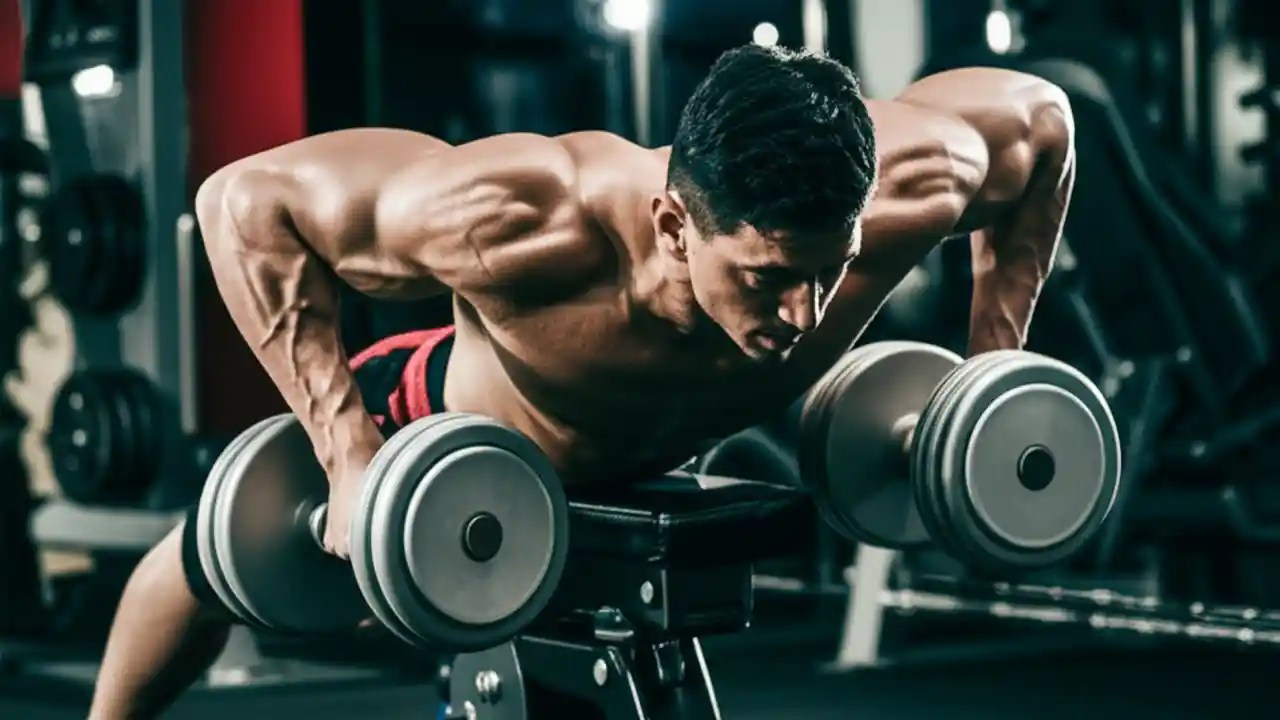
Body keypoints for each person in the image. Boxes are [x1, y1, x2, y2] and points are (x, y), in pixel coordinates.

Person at [88, 44, 1074, 719]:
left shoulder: (921, 179)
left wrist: (991, 362)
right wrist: (346, 454)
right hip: (465, 431)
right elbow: (245, 202)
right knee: (216, 553)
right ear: (674, 224)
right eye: (769, 279)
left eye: (832, 267)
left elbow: (1041, 122)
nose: (806, 315)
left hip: (673, 446)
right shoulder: (519, 219)